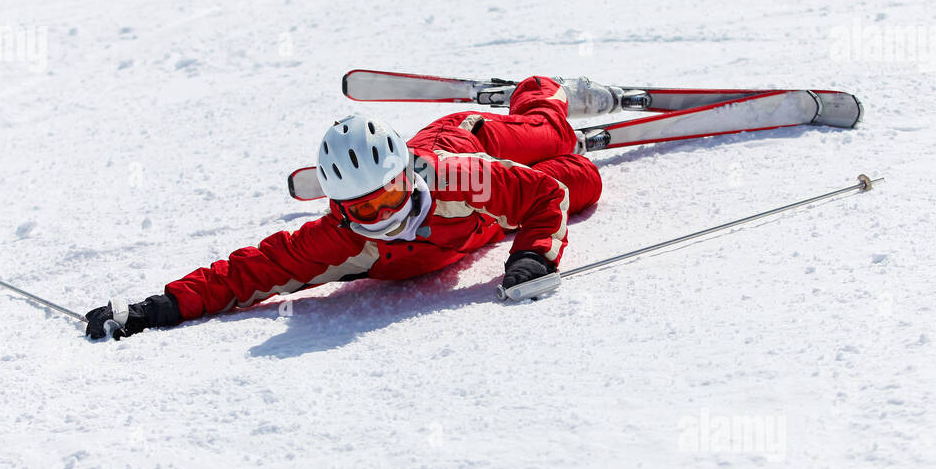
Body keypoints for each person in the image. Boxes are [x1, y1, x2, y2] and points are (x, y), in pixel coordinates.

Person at [85, 76, 623, 339]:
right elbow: (249, 272)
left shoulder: (459, 178)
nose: (381, 216)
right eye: (362, 208)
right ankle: (572, 150)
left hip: (464, 140)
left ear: (404, 175)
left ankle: (543, 89)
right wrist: (156, 308)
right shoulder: (339, 238)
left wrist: (533, 256)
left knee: (550, 132)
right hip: (488, 216)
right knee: (584, 181)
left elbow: (540, 201)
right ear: (338, 206)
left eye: (388, 196)